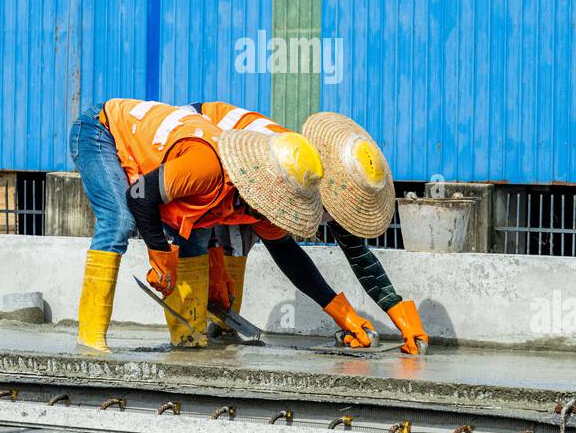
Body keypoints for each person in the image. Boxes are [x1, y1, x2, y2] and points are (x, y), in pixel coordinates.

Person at [69, 99, 375, 352]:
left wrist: (341, 313)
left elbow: (288, 255)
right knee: (118, 221)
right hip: (102, 130)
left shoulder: (260, 200)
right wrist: (160, 256)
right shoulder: (208, 166)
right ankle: (91, 338)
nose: (274, 213)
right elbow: (139, 198)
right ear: (262, 186)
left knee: (196, 239)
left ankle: (187, 339)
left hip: (158, 172)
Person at [195, 103, 430, 354]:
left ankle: (220, 324)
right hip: (202, 140)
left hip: (234, 162)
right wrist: (343, 314)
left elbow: (360, 257)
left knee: (233, 251)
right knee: (229, 245)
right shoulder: (281, 179)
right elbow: (285, 252)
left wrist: (400, 315)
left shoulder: (333, 184)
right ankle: (205, 331)